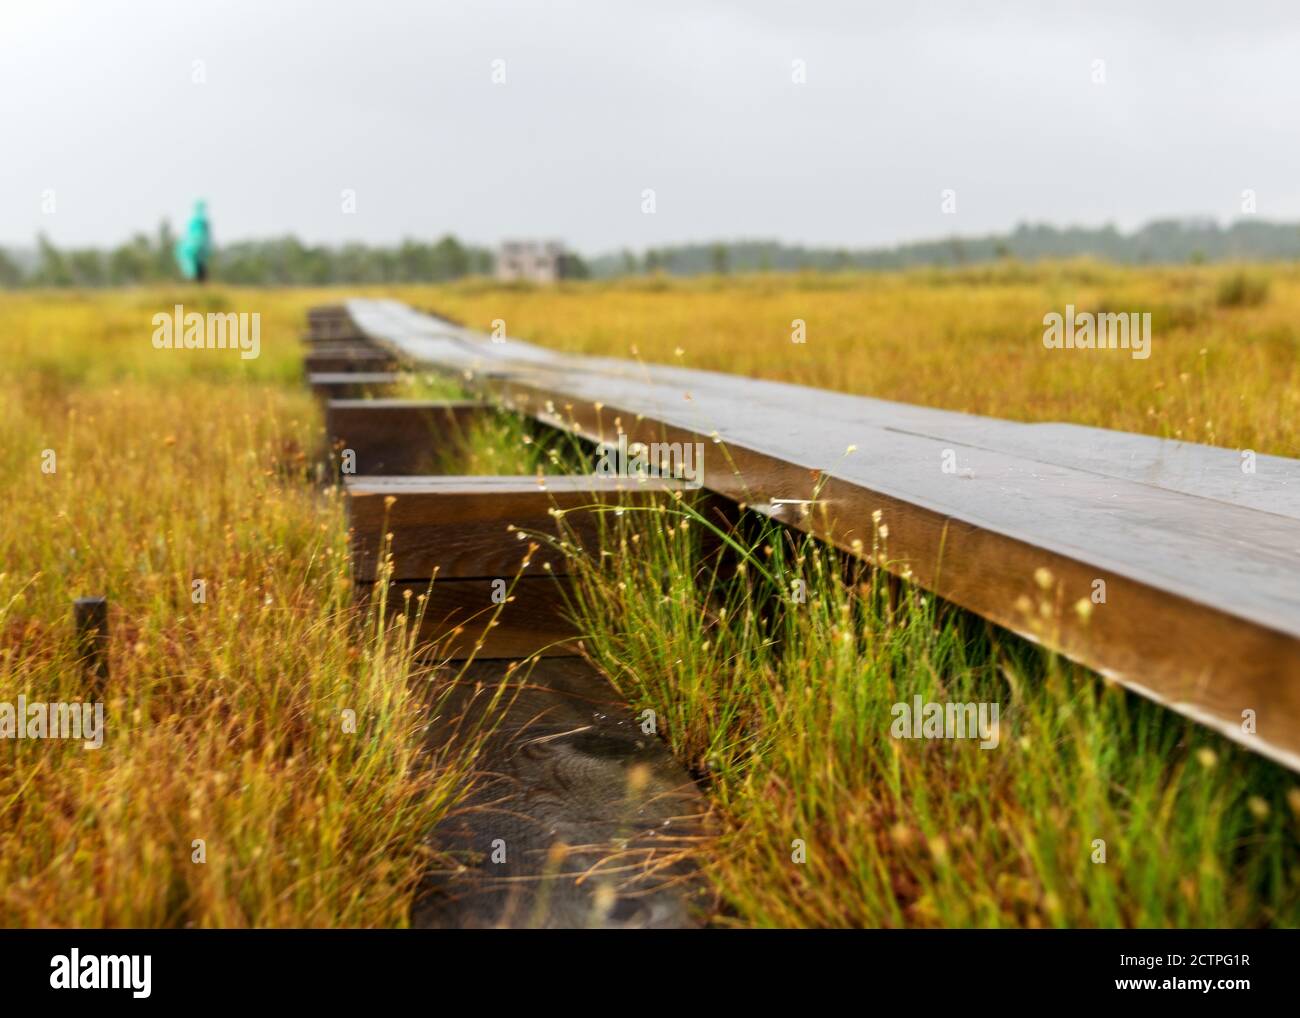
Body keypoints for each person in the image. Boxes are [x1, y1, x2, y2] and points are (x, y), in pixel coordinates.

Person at [175, 200, 212, 282]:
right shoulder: (199, 221)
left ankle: (197, 284)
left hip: (197, 249)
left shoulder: (199, 221)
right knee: (194, 270)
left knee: (199, 270)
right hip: (194, 248)